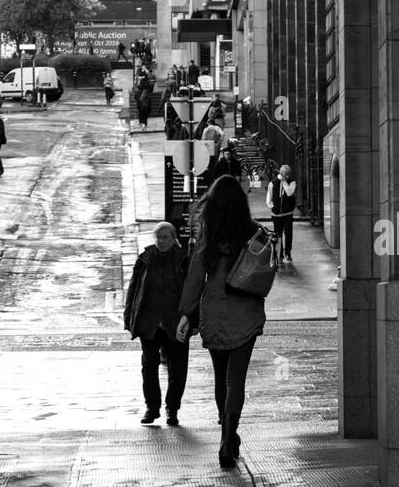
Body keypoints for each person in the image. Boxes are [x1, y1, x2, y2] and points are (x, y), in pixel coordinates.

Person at [177, 175, 267, 469]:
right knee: (236, 379)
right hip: (246, 312)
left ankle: (226, 438)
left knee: (220, 379)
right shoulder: (253, 233)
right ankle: (229, 439)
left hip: (214, 312)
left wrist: (187, 314)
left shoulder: (209, 234)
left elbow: (194, 276)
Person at [124, 222, 190, 426]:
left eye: (165, 237)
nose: (161, 241)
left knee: (177, 369)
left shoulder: (183, 260)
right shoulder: (145, 259)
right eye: (158, 237)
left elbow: (192, 292)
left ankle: (172, 408)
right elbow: (133, 290)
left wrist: (192, 320)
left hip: (175, 322)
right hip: (150, 322)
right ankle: (152, 407)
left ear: (173, 238)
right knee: (148, 366)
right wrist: (129, 318)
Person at [266, 164, 297, 264]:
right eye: (285, 175)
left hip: (288, 213)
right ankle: (279, 254)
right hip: (276, 215)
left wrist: (284, 182)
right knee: (278, 235)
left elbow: (289, 193)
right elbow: (269, 198)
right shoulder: (273, 183)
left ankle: (288, 253)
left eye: (288, 175)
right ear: (281, 173)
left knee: (288, 234)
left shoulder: (292, 183)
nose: (286, 177)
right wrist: (272, 207)